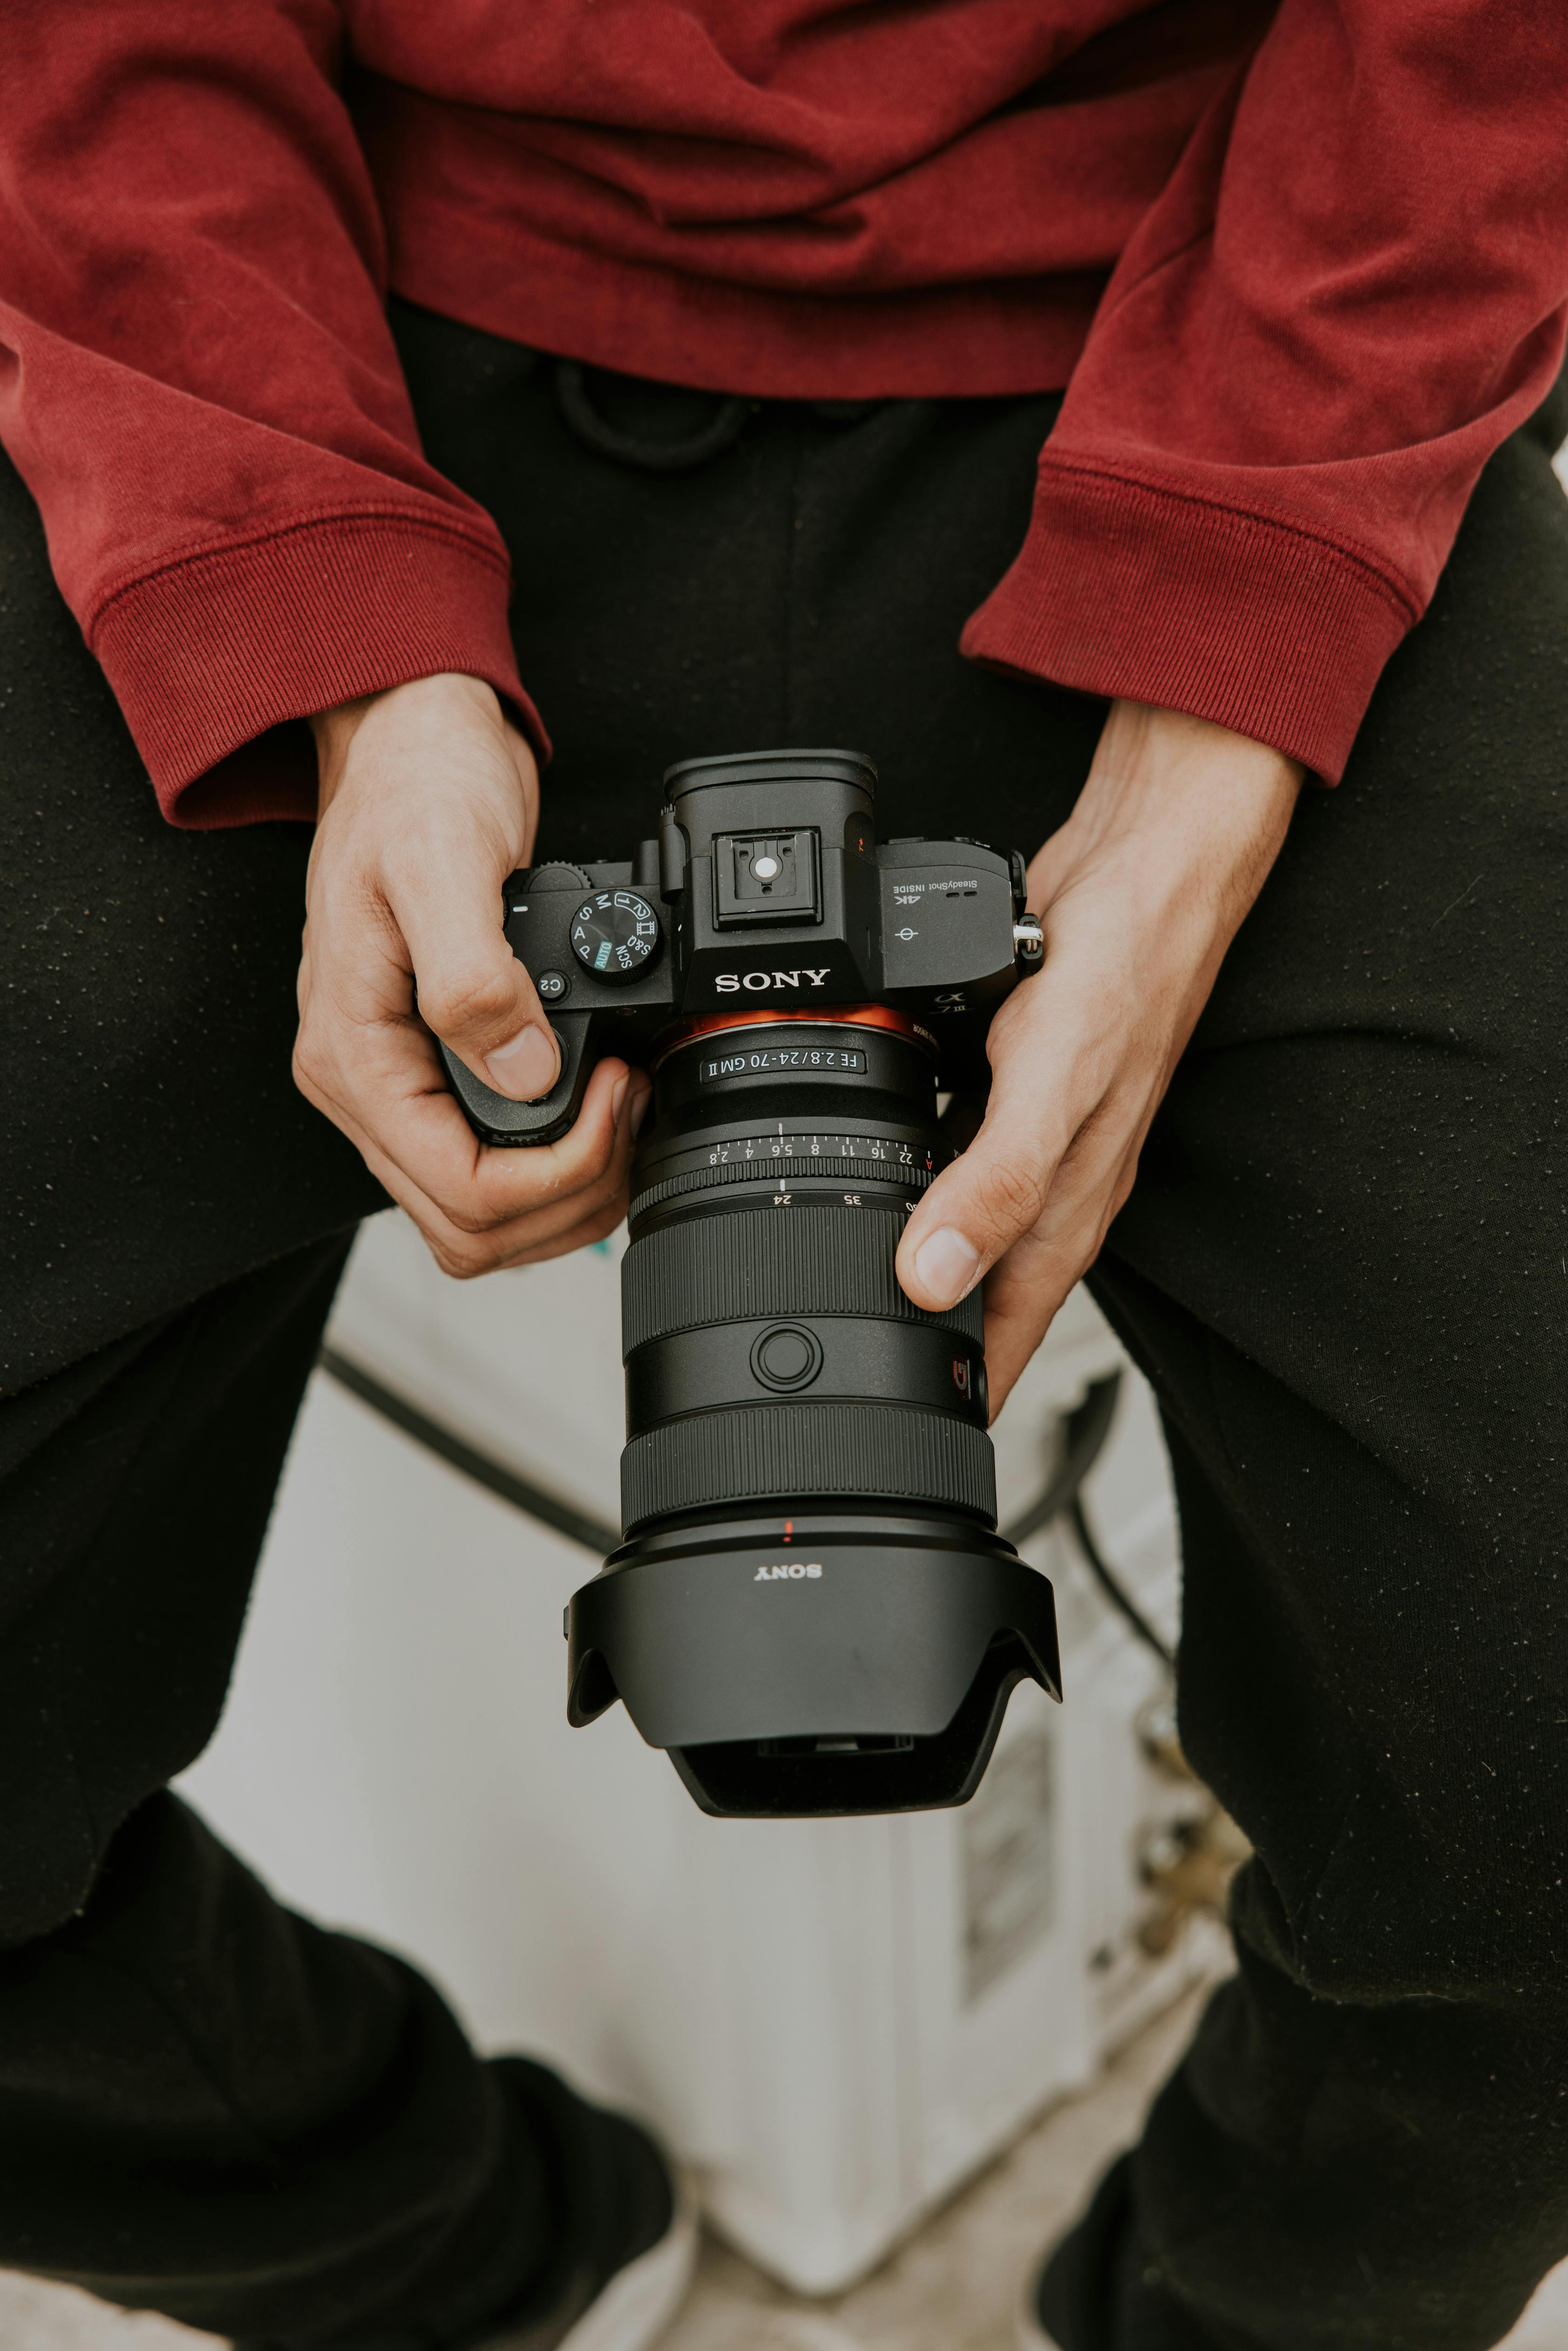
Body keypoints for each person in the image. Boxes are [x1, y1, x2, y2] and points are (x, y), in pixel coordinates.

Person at [1, 6, 1566, 2348]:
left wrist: (1239, 634)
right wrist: (326, 622)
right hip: (345, 305)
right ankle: (458, 2259)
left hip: (1222, 308)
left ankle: (1228, 2322)